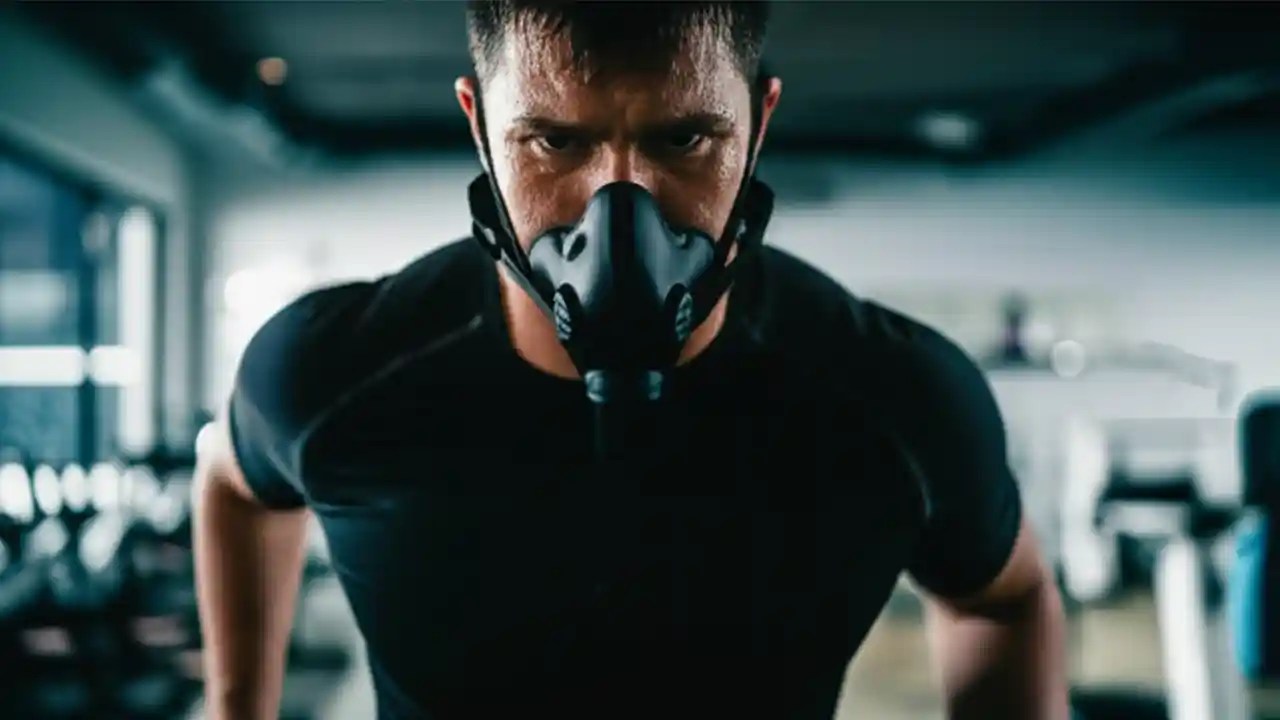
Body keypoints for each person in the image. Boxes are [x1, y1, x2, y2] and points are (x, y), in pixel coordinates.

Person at [193, 2, 1070, 719]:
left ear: (757, 125)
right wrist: (238, 706)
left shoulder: (899, 402)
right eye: (553, 142)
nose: (618, 211)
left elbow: (1004, 593)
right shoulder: (333, 371)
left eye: (685, 140)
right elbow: (234, 483)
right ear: (480, 125)